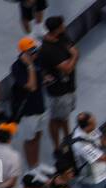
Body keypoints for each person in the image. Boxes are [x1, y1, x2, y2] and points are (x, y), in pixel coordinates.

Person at [38, 17, 78, 152]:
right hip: (58, 90)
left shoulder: (63, 37)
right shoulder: (48, 49)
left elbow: (71, 48)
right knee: (56, 118)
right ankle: (57, 146)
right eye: (62, 25)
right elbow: (67, 68)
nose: (64, 26)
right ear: (56, 29)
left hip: (69, 85)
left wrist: (72, 57)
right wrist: (74, 56)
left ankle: (67, 139)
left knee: (64, 116)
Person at [10, 37, 47, 169]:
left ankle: (37, 164)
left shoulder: (37, 59)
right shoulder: (17, 67)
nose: (35, 54)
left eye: (35, 50)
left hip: (39, 105)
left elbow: (40, 77)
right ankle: (31, 168)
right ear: (24, 53)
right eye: (32, 52)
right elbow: (31, 86)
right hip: (27, 110)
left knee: (38, 135)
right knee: (30, 139)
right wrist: (30, 66)